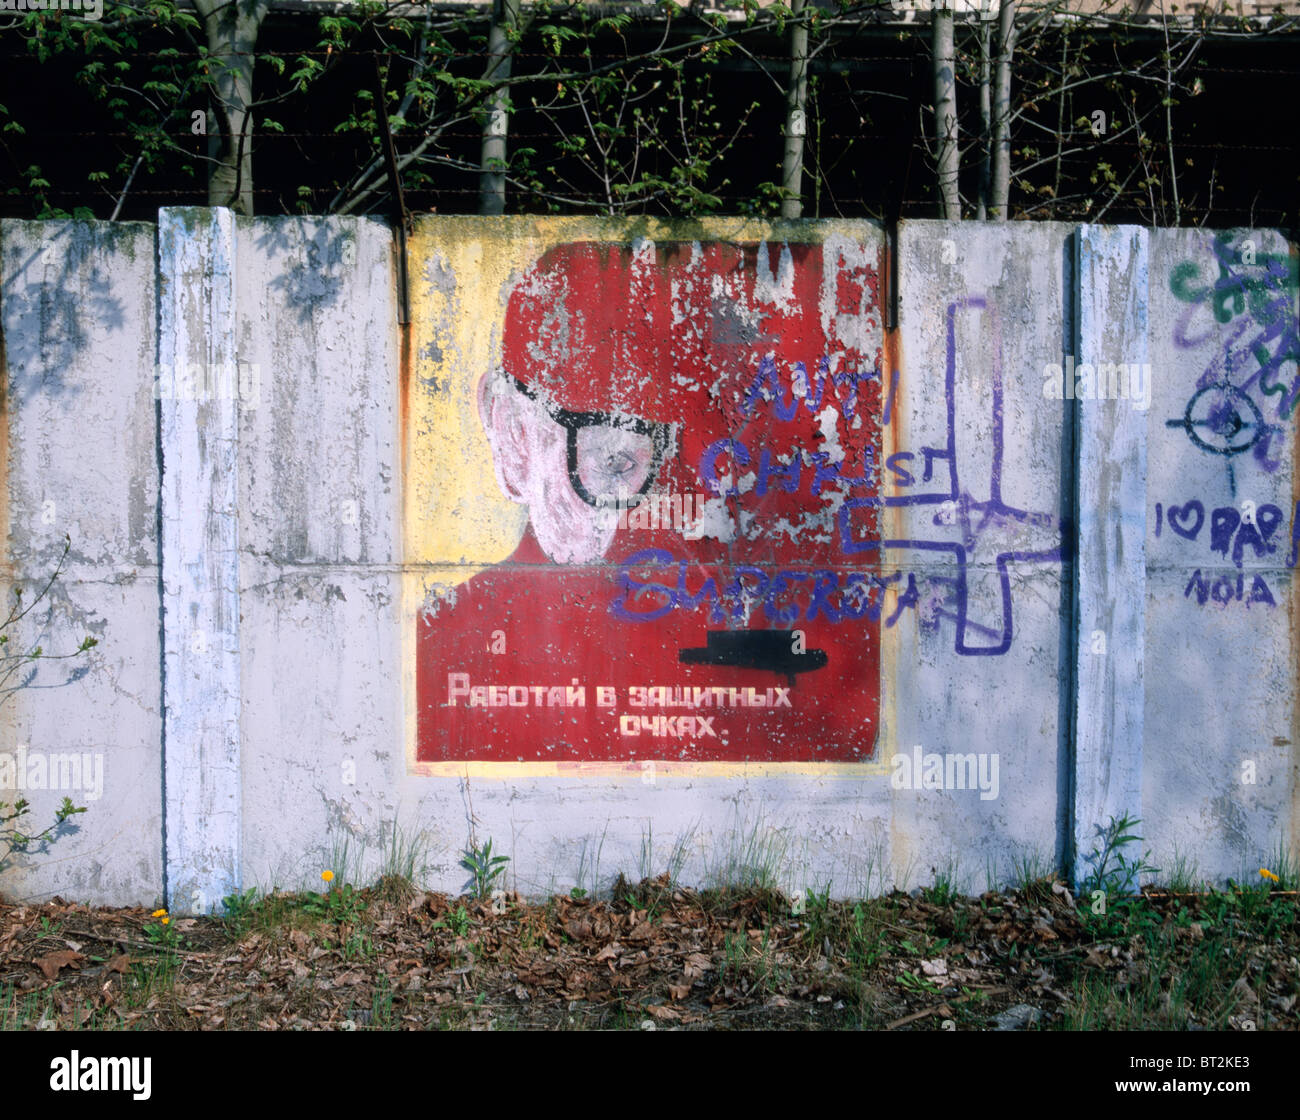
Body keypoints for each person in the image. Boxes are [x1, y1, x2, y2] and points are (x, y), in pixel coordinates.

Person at [416, 238, 886, 764]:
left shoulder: (716, 610)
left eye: (646, 459)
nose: (627, 511)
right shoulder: (442, 644)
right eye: (612, 460)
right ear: (506, 425)